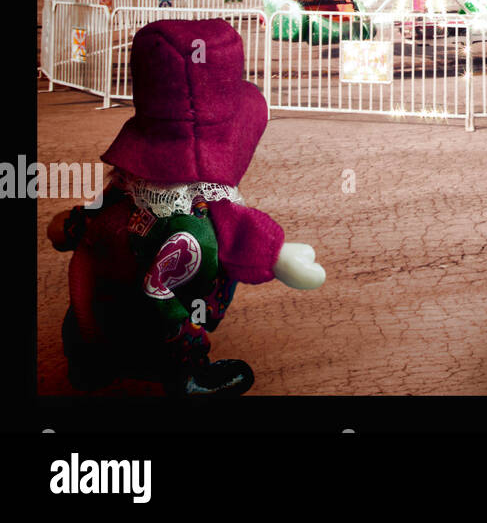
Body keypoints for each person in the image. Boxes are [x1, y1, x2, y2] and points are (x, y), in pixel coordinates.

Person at [47, 20, 326, 397]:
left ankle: (92, 364)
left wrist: (77, 225)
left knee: (101, 311)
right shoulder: (194, 216)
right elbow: (230, 230)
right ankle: (187, 374)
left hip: (107, 283)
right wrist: (277, 255)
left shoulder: (128, 184)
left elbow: (89, 217)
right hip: (155, 288)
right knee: (169, 303)